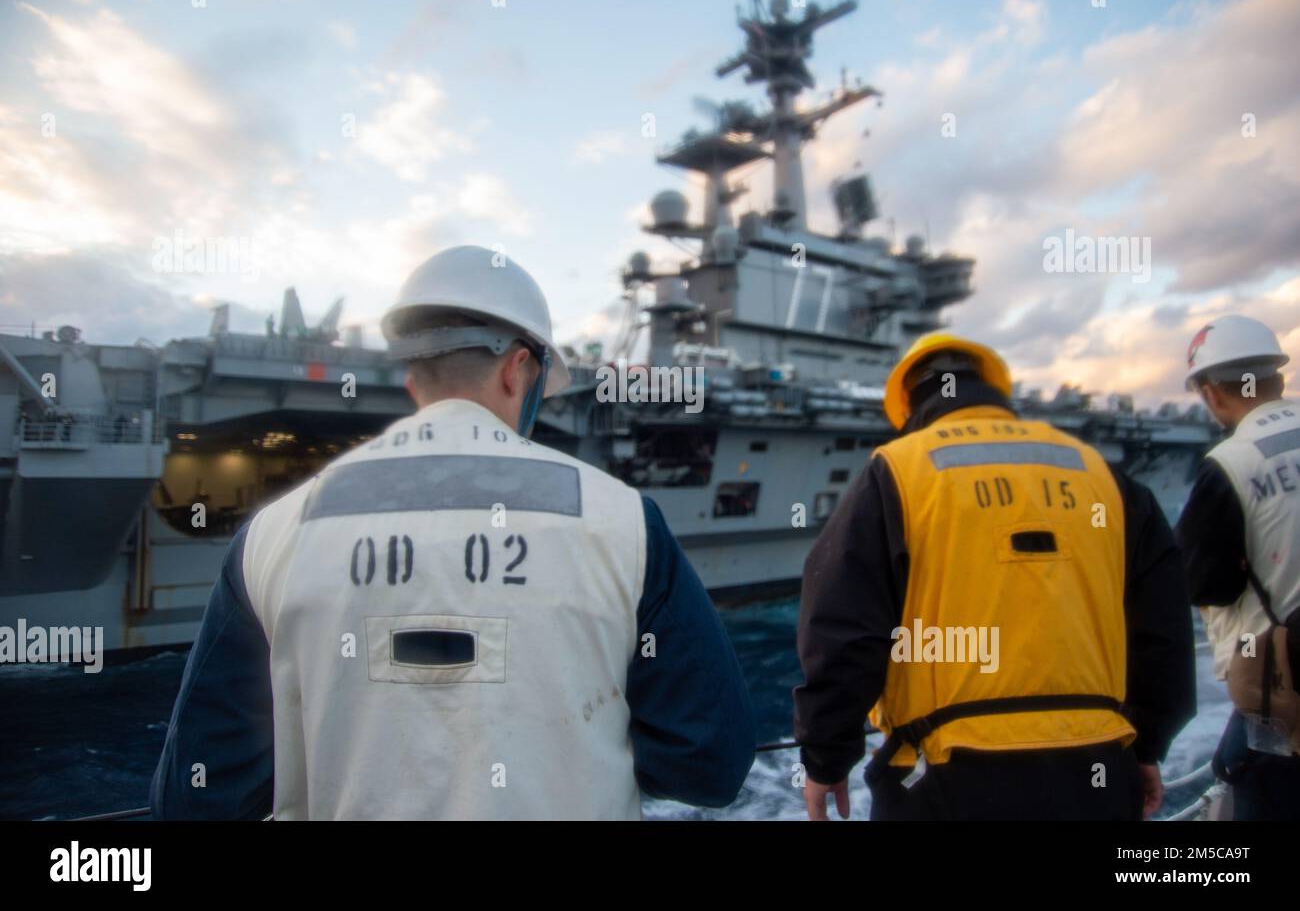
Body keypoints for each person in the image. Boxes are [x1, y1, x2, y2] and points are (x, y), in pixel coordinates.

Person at [151, 245, 755, 819]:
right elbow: (711, 766)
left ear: (414, 379)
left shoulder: (271, 534)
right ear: (521, 371)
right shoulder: (627, 523)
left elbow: (194, 796)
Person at [795, 333, 1196, 820]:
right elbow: (1163, 632)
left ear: (907, 404)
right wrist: (1148, 746)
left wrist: (825, 760)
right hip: (1098, 769)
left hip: (946, 778)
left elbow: (843, 634)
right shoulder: (1102, 474)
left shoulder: (898, 471)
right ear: (993, 387)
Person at [1175, 314, 1300, 820]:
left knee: (1248, 779)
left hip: (1281, 687)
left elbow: (1205, 582)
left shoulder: (1231, 462)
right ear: (1280, 377)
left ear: (1210, 393)